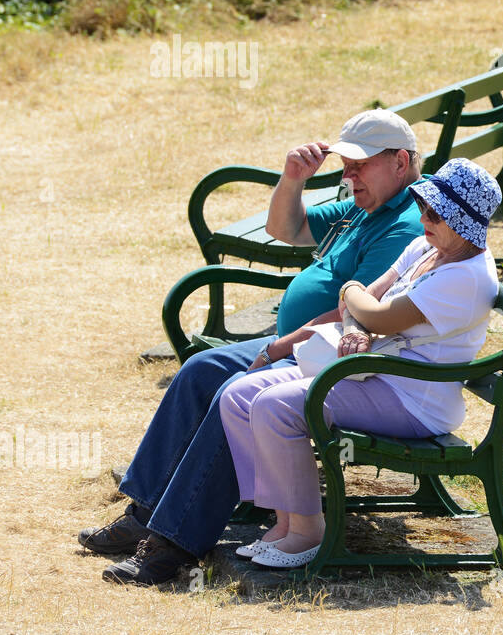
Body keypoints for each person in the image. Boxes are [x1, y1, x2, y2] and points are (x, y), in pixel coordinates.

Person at [78, 109, 426, 585]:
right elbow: (286, 229)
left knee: (236, 391)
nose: (348, 175)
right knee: (201, 369)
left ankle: (172, 545)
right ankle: (144, 511)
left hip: (325, 354)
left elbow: (360, 313)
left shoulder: (402, 223)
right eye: (344, 164)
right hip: (299, 344)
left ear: (401, 162)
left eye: (359, 165)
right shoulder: (360, 206)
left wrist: (277, 348)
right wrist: (292, 179)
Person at [218, 159, 501, 569]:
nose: (423, 218)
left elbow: (378, 313)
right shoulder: (429, 246)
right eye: (423, 206)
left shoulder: (467, 276)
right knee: (239, 394)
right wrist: (358, 315)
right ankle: (285, 520)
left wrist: (352, 295)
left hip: (412, 399)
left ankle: (308, 532)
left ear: (463, 221)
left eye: (435, 212)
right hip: (374, 373)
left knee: (276, 404)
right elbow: (366, 304)